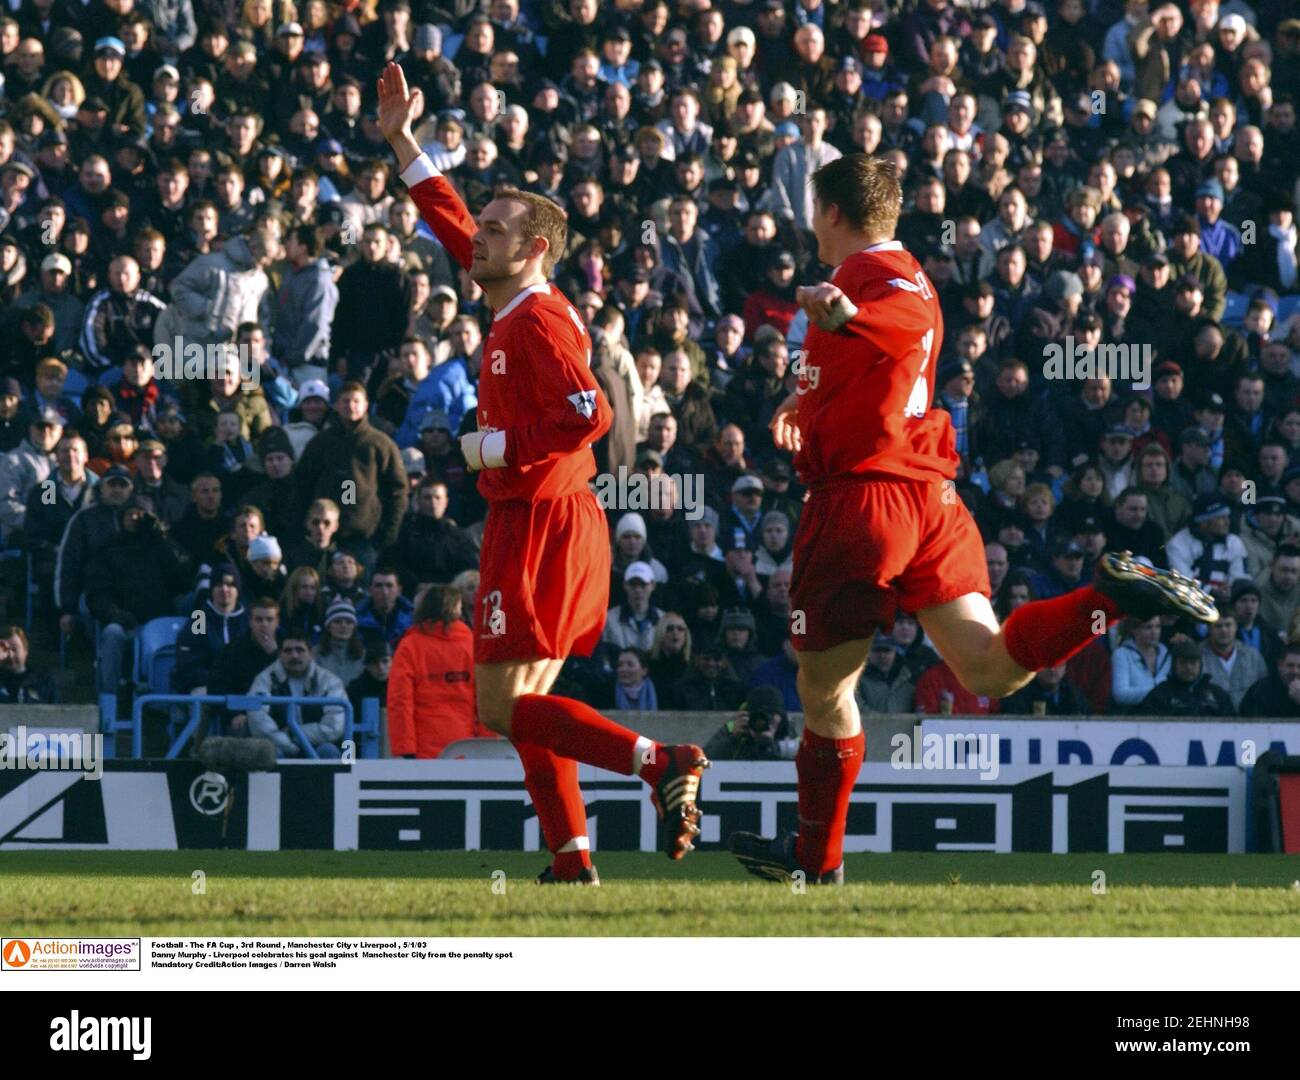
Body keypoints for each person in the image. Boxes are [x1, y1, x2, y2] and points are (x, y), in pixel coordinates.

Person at [727, 155, 1216, 885]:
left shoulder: (878, 280)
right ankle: (1111, 597)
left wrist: (846, 316)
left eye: (810, 206)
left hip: (865, 499)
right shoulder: (903, 271)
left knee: (824, 691)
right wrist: (807, 402)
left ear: (830, 211)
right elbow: (879, 359)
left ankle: (816, 859)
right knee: (989, 667)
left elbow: (893, 326)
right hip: (929, 499)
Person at [378, 61, 708, 883]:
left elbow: (590, 412)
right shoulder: (512, 302)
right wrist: (404, 145)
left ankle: (657, 762)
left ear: (531, 250)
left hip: (541, 525)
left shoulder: (537, 323)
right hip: (545, 518)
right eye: (481, 225)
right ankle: (571, 859)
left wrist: (488, 449)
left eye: (494, 229)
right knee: (529, 711)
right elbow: (451, 220)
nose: (475, 236)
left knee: (501, 707)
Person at [387, 582, 480, 758]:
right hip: (467, 748)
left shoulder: (409, 646)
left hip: (422, 749)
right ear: (457, 610)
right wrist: (486, 744)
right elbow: (483, 702)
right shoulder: (473, 646)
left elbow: (400, 701)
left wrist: (405, 748)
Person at [246, 632, 347, 758]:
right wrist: (288, 744)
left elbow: (334, 726)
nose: (294, 655)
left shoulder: (329, 681)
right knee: (271, 754)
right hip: (279, 745)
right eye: (288, 651)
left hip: (318, 744)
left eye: (300, 650)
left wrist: (294, 734)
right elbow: (258, 722)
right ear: (279, 655)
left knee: (329, 751)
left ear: (311, 654)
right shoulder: (263, 679)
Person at [1138, 638, 1234, 716]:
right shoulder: (1160, 694)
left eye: (1193, 663)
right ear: (1174, 665)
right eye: (1183, 662)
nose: (1188, 667)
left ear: (1200, 664)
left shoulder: (1217, 694)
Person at [703, 685, 796, 761]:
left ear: (780, 717)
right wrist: (733, 739)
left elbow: (804, 766)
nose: (763, 721)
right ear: (747, 714)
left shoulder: (786, 731)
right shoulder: (734, 728)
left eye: (770, 716)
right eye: (757, 716)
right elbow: (705, 761)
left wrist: (772, 747)